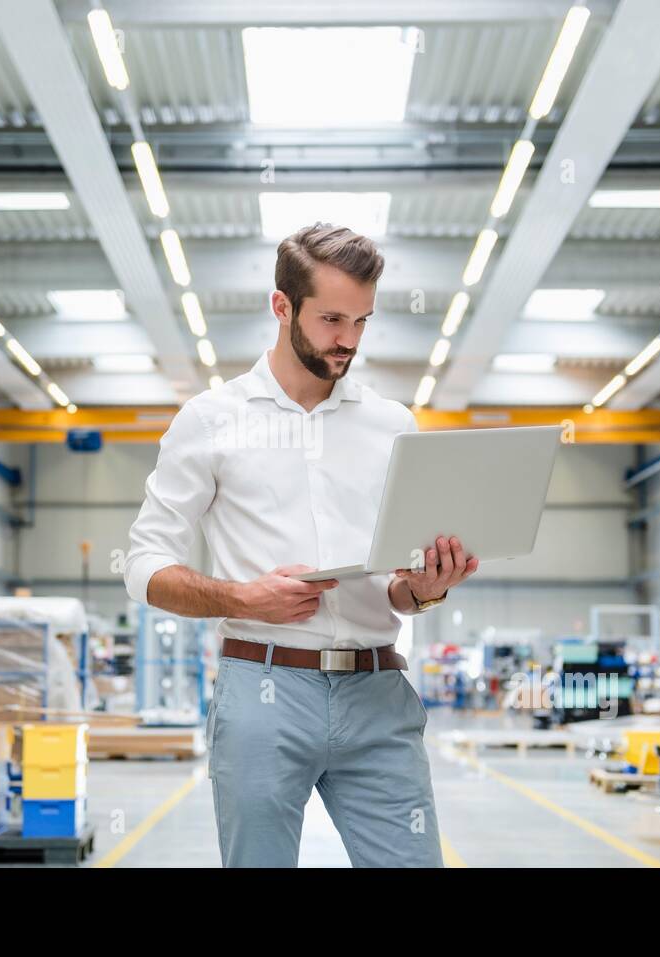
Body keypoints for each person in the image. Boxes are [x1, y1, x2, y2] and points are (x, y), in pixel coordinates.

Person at [125, 223, 478, 867]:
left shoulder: (391, 425)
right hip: (262, 690)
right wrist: (243, 597)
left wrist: (426, 589)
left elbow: (396, 587)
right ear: (281, 306)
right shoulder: (212, 421)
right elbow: (144, 567)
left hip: (379, 694)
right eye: (332, 319)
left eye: (363, 321)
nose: (348, 340)